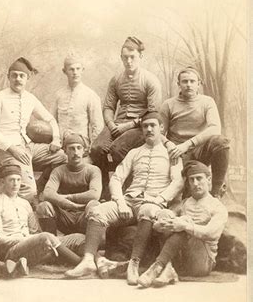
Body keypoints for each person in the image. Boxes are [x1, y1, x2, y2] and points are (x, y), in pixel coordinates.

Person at [66, 111, 184, 283]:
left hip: (154, 202)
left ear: (162, 128)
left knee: (148, 209)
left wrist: (159, 200)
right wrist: (120, 202)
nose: (149, 129)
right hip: (129, 201)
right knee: (98, 211)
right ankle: (88, 260)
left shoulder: (171, 153)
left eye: (153, 126)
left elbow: (178, 183)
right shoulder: (134, 152)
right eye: (145, 126)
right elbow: (117, 178)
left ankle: (133, 264)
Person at [0, 57, 66, 205]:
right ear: (8, 77)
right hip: (8, 149)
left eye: (22, 76)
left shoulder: (30, 98)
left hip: (28, 147)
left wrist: (56, 138)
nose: (18, 79)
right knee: (28, 190)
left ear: (27, 78)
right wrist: (12, 149)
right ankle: (20, 214)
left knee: (61, 157)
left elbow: (51, 120)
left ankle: (41, 189)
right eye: (14, 75)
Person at [90, 37, 162, 201]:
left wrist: (128, 125)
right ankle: (104, 190)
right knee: (97, 148)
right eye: (125, 57)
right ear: (121, 57)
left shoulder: (150, 80)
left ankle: (127, 189)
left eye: (132, 57)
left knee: (117, 149)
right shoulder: (116, 80)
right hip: (117, 123)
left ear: (140, 57)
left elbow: (152, 113)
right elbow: (108, 107)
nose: (129, 61)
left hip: (140, 127)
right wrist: (110, 123)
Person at [137, 161, 228, 288]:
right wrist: (160, 225)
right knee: (165, 213)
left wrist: (185, 225)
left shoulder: (218, 207)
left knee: (184, 221)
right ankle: (167, 268)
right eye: (191, 180)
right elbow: (158, 225)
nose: (195, 183)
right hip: (181, 259)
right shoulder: (184, 203)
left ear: (208, 179)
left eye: (199, 178)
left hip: (202, 262)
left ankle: (158, 267)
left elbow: (211, 233)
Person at [0, 165, 84, 276]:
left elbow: (35, 231)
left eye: (18, 180)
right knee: (45, 237)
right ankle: (81, 264)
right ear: (2, 182)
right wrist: (26, 240)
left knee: (79, 238)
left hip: (33, 245)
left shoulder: (24, 203)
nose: (15, 183)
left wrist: (36, 239)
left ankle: (31, 261)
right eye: (11, 180)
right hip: (12, 251)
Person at [160, 66, 229, 198]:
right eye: (185, 81)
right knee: (185, 193)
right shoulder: (168, 104)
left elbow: (215, 128)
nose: (188, 85)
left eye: (192, 81)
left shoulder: (207, 102)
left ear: (199, 83)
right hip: (177, 153)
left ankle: (216, 192)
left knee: (221, 142)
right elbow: (159, 132)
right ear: (178, 84)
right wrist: (168, 144)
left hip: (200, 150)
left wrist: (188, 144)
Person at [36, 133, 102, 235]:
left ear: (84, 150)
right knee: (44, 207)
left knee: (95, 205)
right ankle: (52, 245)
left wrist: (69, 198)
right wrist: (68, 204)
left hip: (84, 216)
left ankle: (91, 247)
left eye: (79, 148)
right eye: (71, 148)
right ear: (65, 151)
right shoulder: (58, 171)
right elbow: (48, 193)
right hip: (65, 216)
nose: (75, 152)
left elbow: (95, 194)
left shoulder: (93, 170)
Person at [52, 54, 104, 162]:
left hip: (81, 147)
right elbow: (52, 121)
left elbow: (97, 126)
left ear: (82, 70)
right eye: (71, 69)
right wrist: (55, 140)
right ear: (64, 71)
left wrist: (90, 150)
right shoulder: (58, 95)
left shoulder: (90, 95)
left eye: (78, 69)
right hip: (61, 146)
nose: (75, 72)